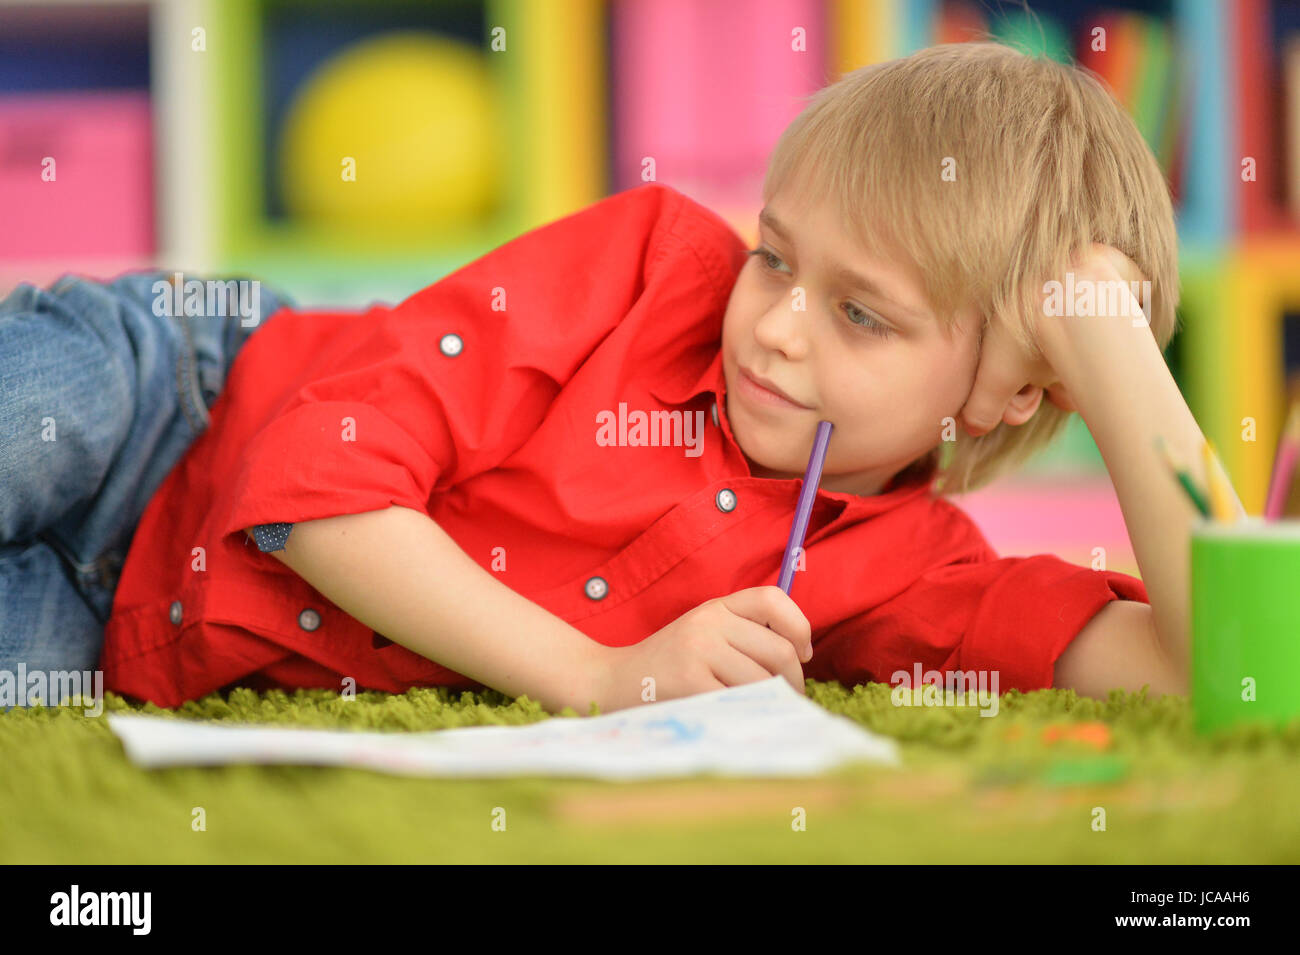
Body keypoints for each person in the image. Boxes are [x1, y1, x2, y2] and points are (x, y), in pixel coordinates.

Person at [2, 42, 1219, 714]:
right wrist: (601, 675)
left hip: (121, 635)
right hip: (165, 406)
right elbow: (312, 493)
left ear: (1019, 389)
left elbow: (1223, 668)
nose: (780, 329)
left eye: (861, 313)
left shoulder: (910, 579)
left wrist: (1103, 338)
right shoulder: (646, 269)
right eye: (775, 258)